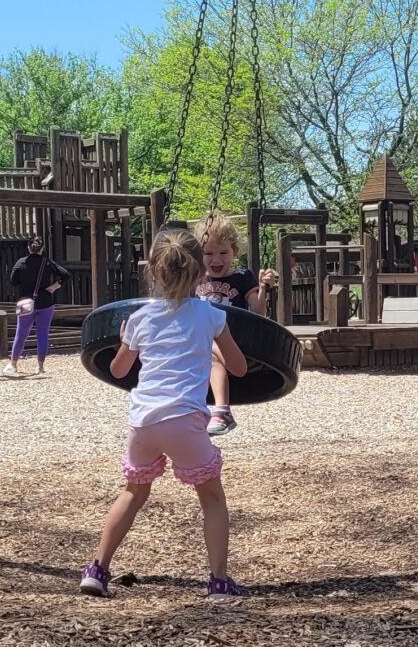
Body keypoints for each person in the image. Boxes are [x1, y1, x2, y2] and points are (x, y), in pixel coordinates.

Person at [80, 228, 249, 599]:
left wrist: (126, 338)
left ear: (154, 273)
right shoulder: (210, 315)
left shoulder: (139, 318)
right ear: (200, 272)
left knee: (133, 494)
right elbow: (237, 368)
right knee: (212, 499)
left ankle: (97, 569)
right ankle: (219, 581)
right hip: (185, 420)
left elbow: (120, 371)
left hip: (143, 422)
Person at [193, 213, 278, 436]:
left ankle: (222, 411)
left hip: (234, 342)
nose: (216, 260)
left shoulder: (242, 277)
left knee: (212, 352)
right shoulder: (195, 279)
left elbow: (258, 310)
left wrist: (262, 288)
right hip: (201, 342)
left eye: (223, 253)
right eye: (208, 253)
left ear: (235, 253)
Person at [6, 237, 68, 376]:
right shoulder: (47, 263)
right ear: (42, 248)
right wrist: (54, 286)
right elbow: (65, 274)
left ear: (29, 248)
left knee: (21, 334)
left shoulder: (21, 263)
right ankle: (40, 366)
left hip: (25, 302)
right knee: (42, 334)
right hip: (45, 302)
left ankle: (13, 364)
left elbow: (12, 281)